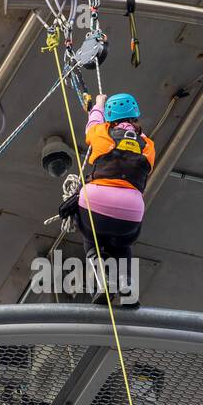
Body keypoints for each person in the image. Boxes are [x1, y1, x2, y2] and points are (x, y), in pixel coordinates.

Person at [70, 92, 155, 305]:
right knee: (121, 245)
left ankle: (103, 283)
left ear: (110, 117)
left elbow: (93, 122)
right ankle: (126, 285)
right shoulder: (148, 146)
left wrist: (98, 103)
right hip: (130, 211)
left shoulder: (101, 133)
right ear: (135, 116)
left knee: (92, 239)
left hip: (96, 202)